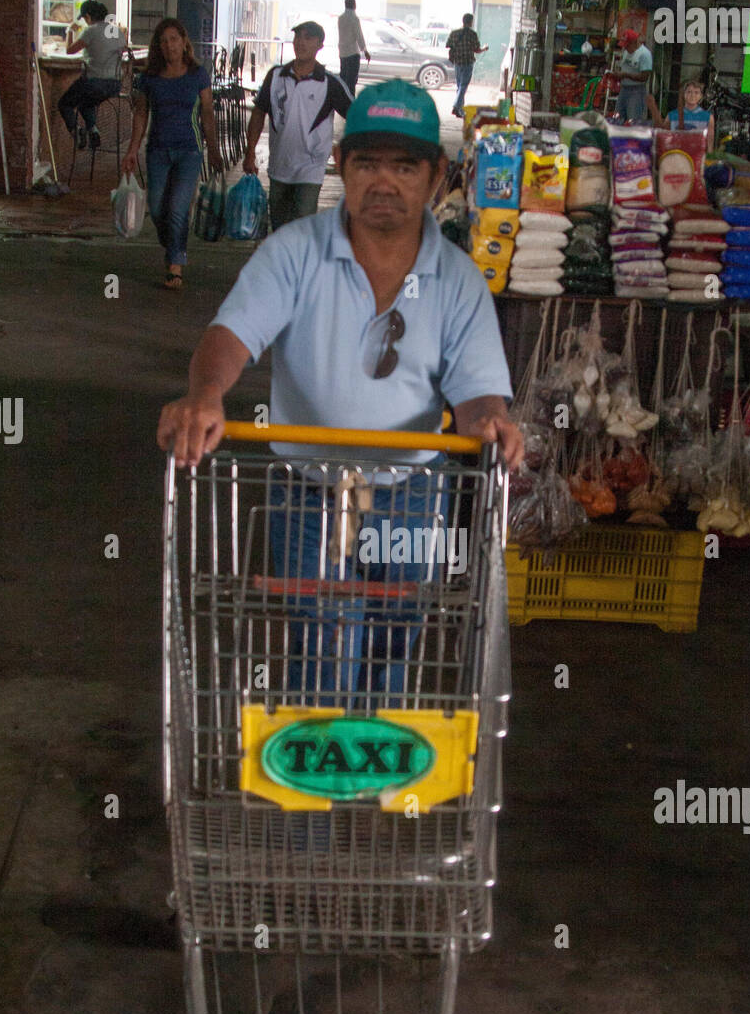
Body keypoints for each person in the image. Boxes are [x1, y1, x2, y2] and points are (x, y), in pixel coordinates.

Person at [157, 79, 523, 700]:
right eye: (367, 163)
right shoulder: (293, 253)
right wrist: (206, 394)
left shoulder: (458, 281)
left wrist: (489, 422)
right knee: (326, 640)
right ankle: (320, 784)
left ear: (437, 173)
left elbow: (479, 393)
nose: (384, 182)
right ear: (341, 165)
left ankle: (375, 772)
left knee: (397, 635)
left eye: (404, 166)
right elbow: (231, 335)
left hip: (411, 490)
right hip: (308, 490)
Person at [122, 18, 222, 290]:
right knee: (156, 208)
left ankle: (175, 264)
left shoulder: (198, 74)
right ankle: (175, 245)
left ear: (184, 42)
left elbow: (208, 113)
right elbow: (141, 113)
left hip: (189, 150)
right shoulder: (150, 78)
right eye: (164, 41)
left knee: (177, 209)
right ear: (159, 47)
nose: (169, 46)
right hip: (157, 150)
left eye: (174, 39)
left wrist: (213, 149)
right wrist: (132, 149)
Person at [242, 21, 352, 233]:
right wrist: (249, 152)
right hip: (279, 166)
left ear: (320, 45)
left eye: (308, 38)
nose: (300, 42)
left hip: (311, 167)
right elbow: (258, 113)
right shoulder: (275, 77)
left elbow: (356, 115)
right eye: (298, 37)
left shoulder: (329, 83)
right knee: (280, 228)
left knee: (303, 223)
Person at [58, 0, 126, 150]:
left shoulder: (90, 31)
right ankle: (93, 130)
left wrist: (69, 31)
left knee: (65, 104)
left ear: (88, 16)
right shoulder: (117, 32)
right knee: (87, 102)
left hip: (94, 83)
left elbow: (69, 50)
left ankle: (77, 131)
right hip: (114, 85)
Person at [447, 14, 488, 118]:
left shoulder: (454, 33)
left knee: (460, 86)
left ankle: (460, 110)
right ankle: (456, 106)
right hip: (468, 62)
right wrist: (484, 48)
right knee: (463, 86)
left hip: (457, 62)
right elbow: (477, 50)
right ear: (471, 22)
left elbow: (449, 45)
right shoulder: (472, 34)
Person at [615, 29, 653, 125]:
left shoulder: (644, 54)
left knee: (634, 121)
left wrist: (626, 75)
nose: (626, 48)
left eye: (627, 45)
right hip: (624, 89)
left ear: (634, 42)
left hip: (637, 91)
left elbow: (644, 77)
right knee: (618, 119)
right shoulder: (626, 52)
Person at [667, 78, 715, 152]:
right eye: (689, 92)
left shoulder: (708, 117)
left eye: (696, 92)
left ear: (701, 96)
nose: (692, 95)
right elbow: (664, 139)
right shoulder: (671, 115)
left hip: (697, 155)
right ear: (683, 94)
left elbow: (710, 143)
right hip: (676, 154)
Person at [338, 0, 370, 97]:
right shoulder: (354, 19)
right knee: (351, 81)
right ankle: (350, 102)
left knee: (343, 79)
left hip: (342, 53)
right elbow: (359, 35)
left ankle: (342, 100)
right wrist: (365, 51)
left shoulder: (340, 18)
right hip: (352, 53)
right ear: (354, 5)